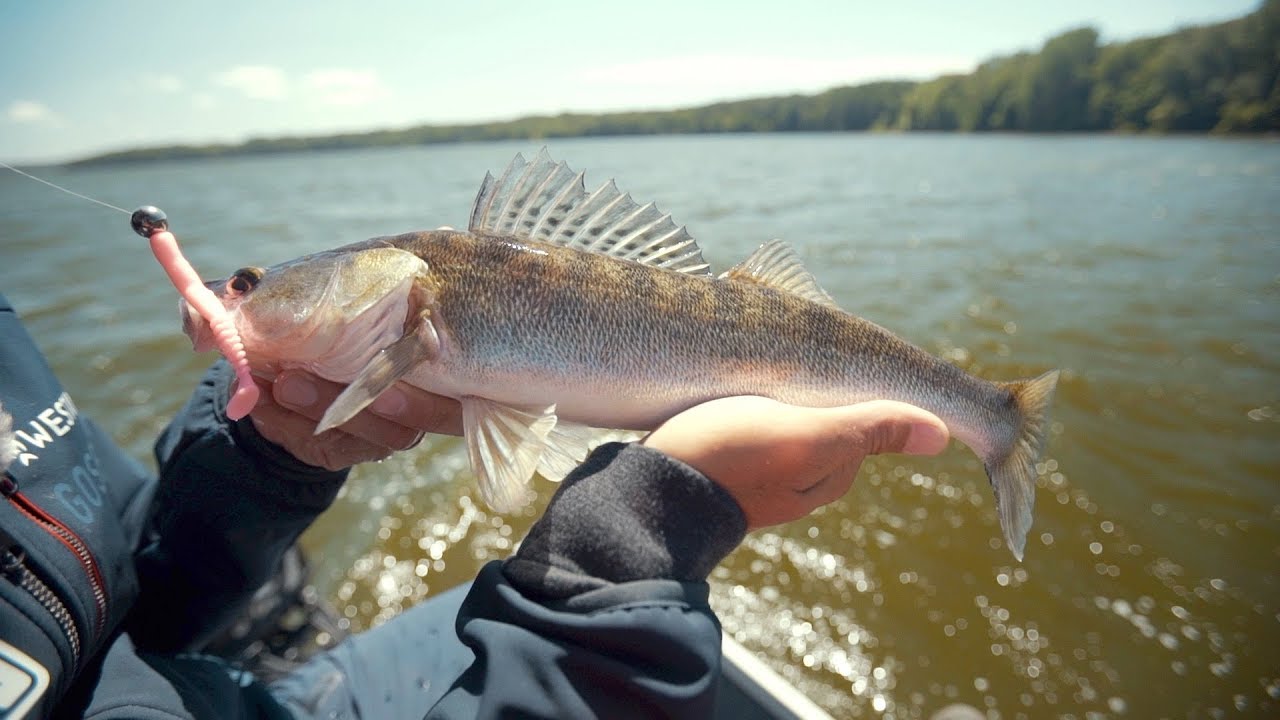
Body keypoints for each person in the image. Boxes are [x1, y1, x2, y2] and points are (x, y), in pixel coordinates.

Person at [0, 290, 950, 719]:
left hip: (197, 682)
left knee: (468, 605)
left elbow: (131, 598)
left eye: (265, 289)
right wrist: (643, 531)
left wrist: (263, 463)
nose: (239, 302)